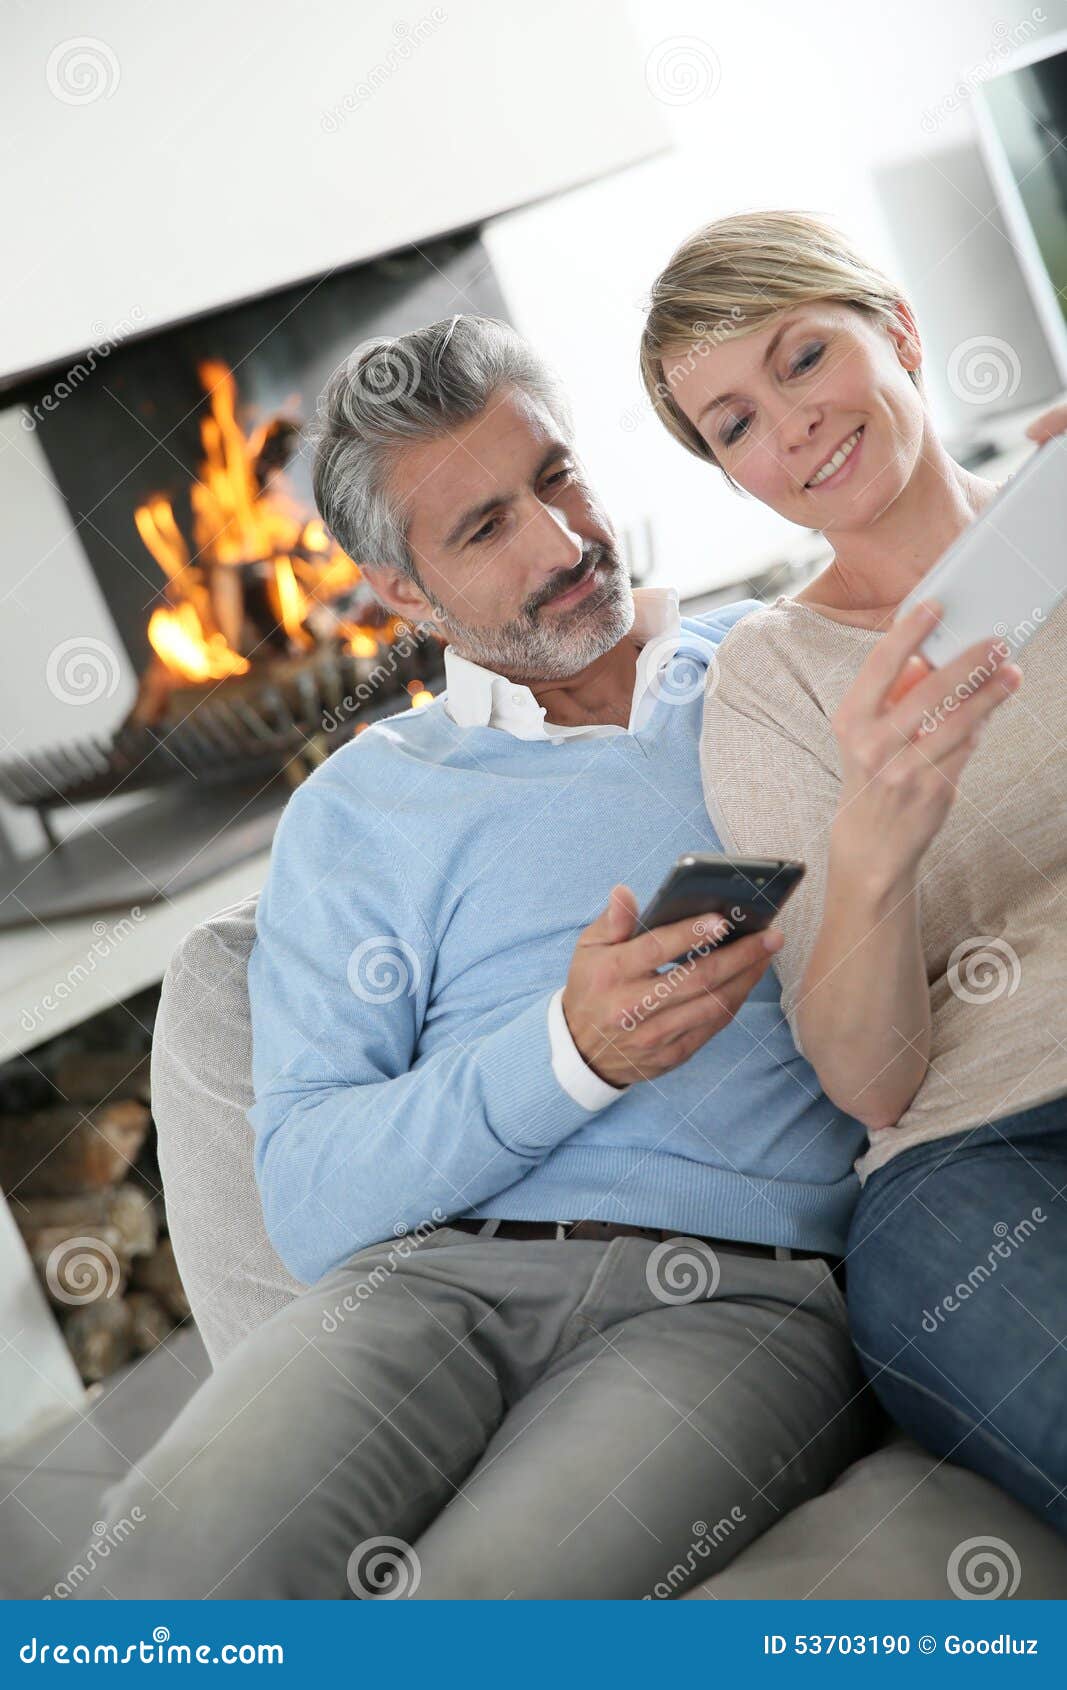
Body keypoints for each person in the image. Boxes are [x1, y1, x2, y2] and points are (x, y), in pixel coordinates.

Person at [68, 315, 874, 1601]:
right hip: (428, 1289)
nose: (560, 543)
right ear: (403, 594)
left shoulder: (772, 667)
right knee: (158, 1581)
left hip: (733, 1300)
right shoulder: (361, 805)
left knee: (475, 1615)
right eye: (484, 528)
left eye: (555, 478)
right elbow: (314, 1195)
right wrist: (567, 1055)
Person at [640, 208, 1067, 1536]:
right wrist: (877, 839)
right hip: (979, 1153)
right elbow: (866, 1077)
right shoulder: (765, 684)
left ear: (895, 331)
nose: (789, 426)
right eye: (731, 424)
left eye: (801, 357)